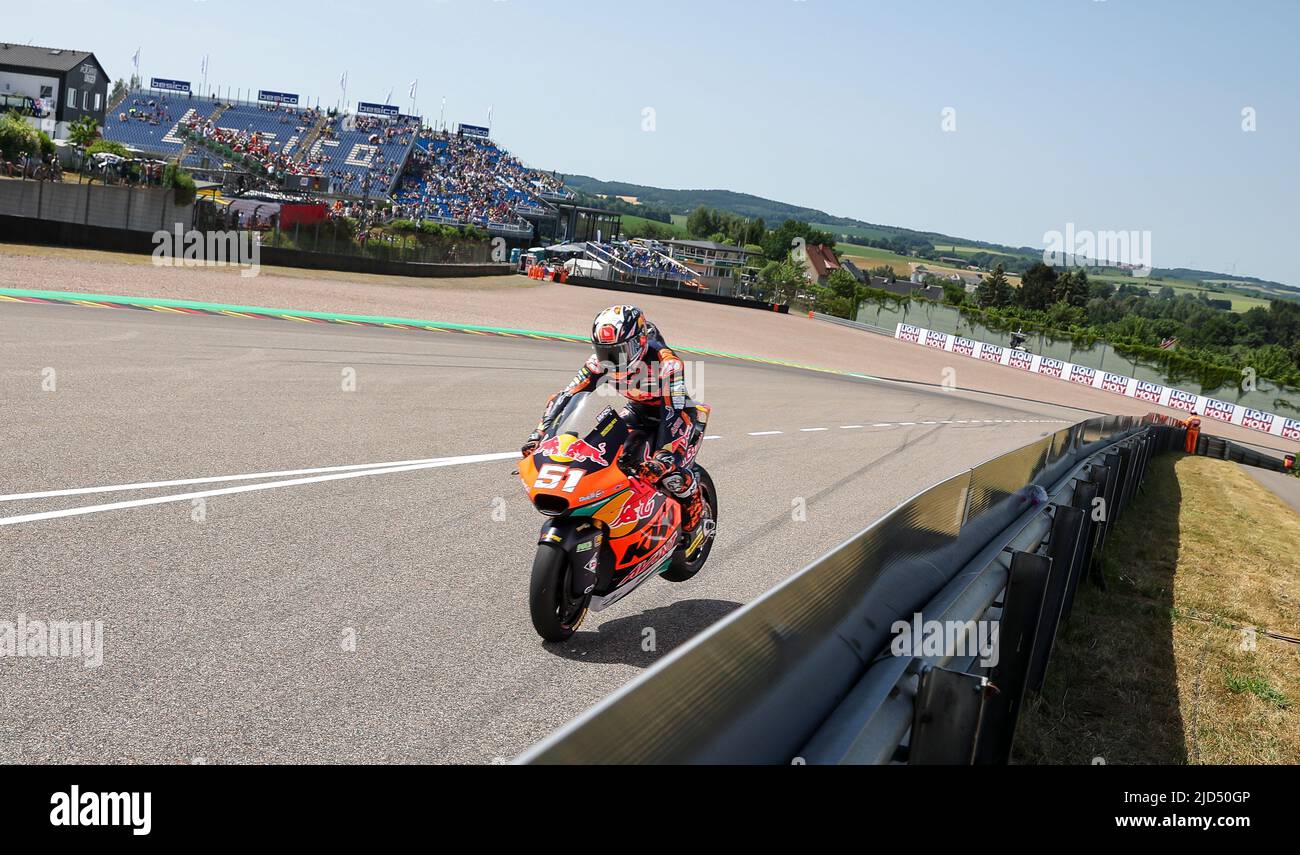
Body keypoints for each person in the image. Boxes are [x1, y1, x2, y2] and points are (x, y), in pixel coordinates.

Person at [522, 305, 711, 536]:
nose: (611, 360)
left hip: (675, 415)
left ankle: (694, 504)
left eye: (619, 352)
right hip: (637, 409)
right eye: (605, 352)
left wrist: (664, 456)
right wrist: (540, 432)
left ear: (639, 342)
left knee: (668, 470)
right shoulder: (598, 362)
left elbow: (674, 410)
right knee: (609, 456)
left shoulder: (667, 364)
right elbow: (568, 394)